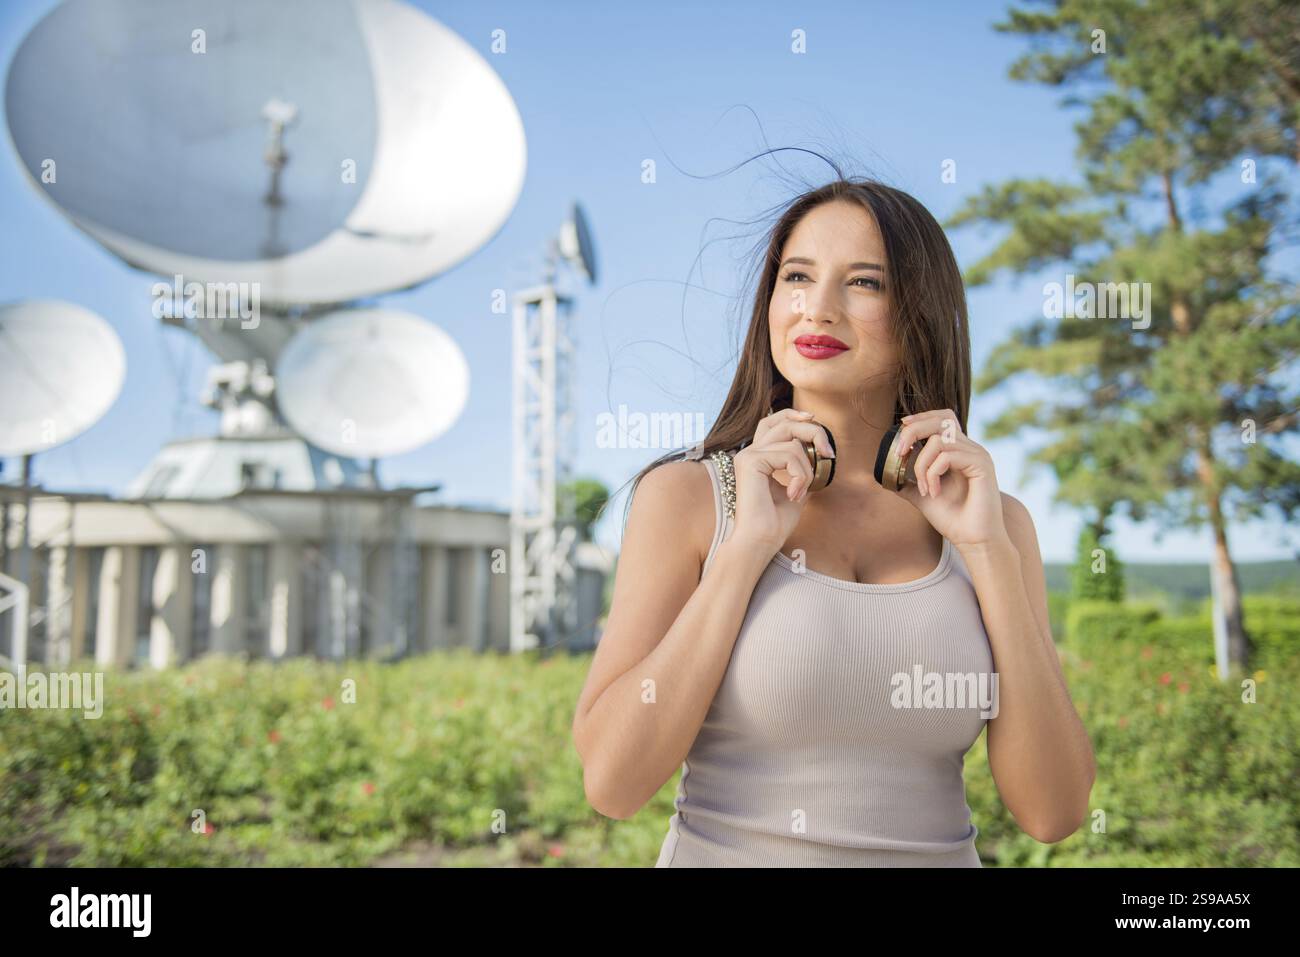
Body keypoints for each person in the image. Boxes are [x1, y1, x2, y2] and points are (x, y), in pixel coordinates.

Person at [571, 177, 1096, 867]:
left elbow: (1054, 810)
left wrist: (987, 549)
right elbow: (612, 782)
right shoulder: (688, 498)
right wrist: (746, 551)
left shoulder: (994, 524)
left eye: (865, 283)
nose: (817, 309)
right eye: (797, 276)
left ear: (920, 317)